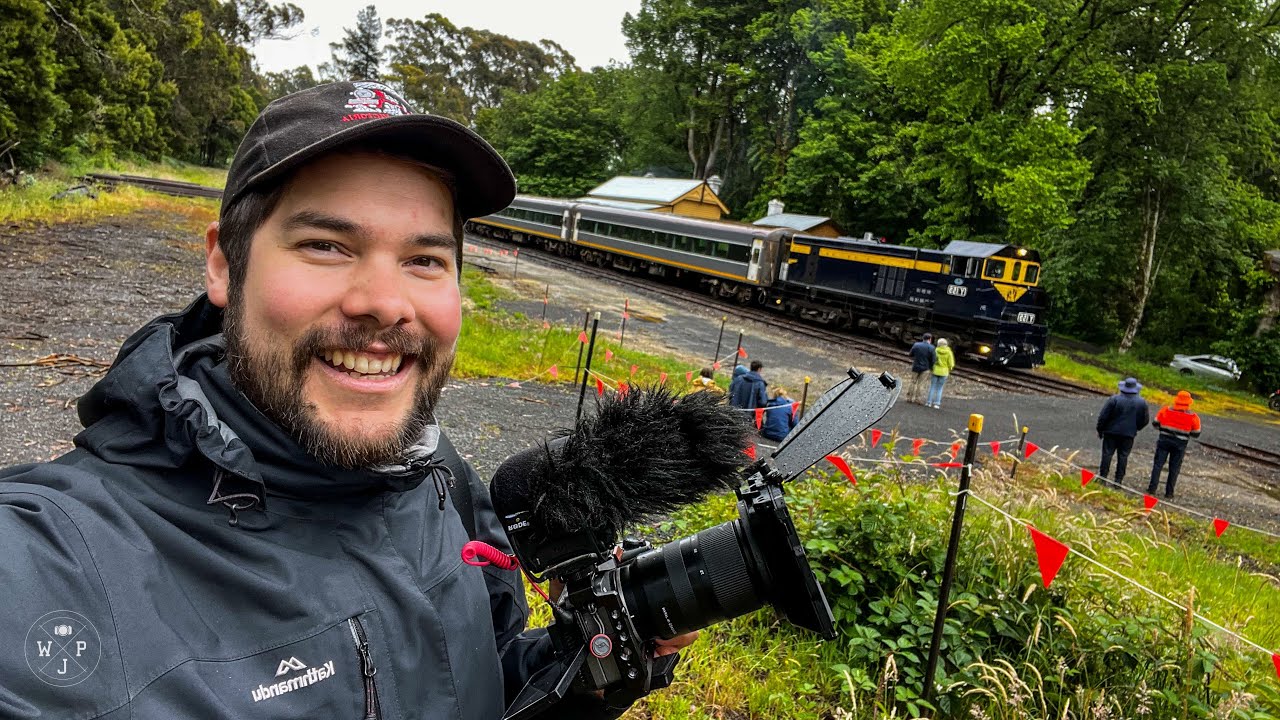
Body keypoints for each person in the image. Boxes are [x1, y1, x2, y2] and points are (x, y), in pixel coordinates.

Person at [0, 81, 693, 718]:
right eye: (327, 245)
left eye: (424, 260)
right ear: (223, 263)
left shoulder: (441, 479)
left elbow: (477, 689)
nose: (385, 305)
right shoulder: (50, 561)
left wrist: (585, 665)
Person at [1096, 377, 1150, 487]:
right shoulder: (1142, 402)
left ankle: (1102, 478)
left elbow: (1103, 416)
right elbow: (1145, 420)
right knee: (1123, 456)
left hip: (1111, 432)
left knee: (1107, 454)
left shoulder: (1114, 399)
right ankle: (1118, 481)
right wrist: (1136, 428)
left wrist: (1100, 429)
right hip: (1128, 434)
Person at [1148, 390, 1202, 498]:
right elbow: (1196, 433)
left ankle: (1152, 488)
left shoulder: (1165, 410)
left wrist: (1164, 429)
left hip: (1164, 441)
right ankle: (1169, 493)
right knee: (1174, 468)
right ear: (1189, 402)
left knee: (1158, 465)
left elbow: (1155, 423)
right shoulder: (1193, 417)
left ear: (1176, 400)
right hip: (1180, 444)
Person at [907, 333, 936, 404]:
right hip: (925, 368)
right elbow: (933, 360)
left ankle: (909, 398)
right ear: (930, 339)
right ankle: (918, 399)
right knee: (921, 384)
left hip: (916, 366)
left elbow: (910, 354)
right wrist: (931, 367)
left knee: (913, 382)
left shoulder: (916, 345)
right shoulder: (932, 348)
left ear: (923, 338)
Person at [926, 337, 955, 408]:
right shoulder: (949, 352)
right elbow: (951, 364)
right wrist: (949, 369)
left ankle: (928, 402)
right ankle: (937, 403)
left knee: (932, 387)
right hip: (944, 372)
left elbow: (932, 360)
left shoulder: (936, 350)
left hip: (935, 370)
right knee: (939, 388)